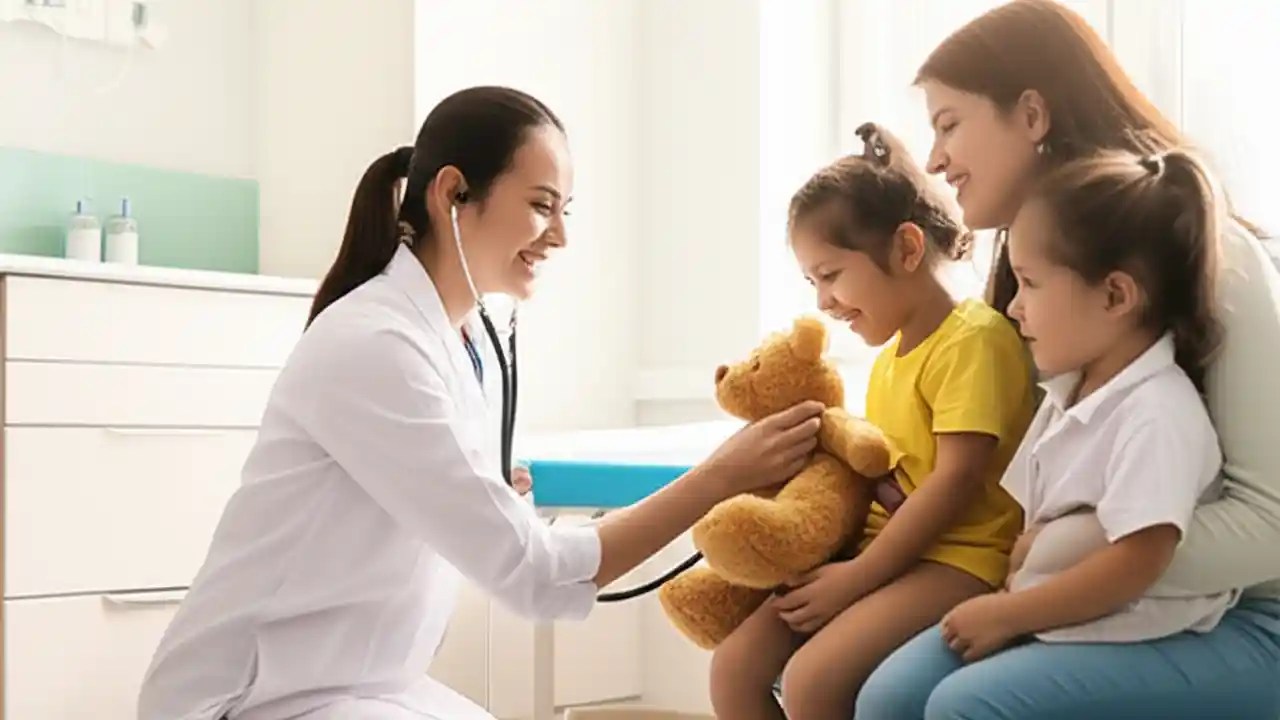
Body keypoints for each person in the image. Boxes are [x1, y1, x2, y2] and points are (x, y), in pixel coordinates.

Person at [135, 85, 826, 720]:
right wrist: (720, 477)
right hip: (252, 697)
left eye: (565, 211)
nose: (560, 236)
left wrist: (493, 497)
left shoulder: (461, 342)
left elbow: (469, 520)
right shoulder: (375, 345)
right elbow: (533, 576)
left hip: (363, 681)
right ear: (453, 193)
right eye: (540, 205)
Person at [857, 1, 1280, 718]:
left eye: (950, 123)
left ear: (1031, 115)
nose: (931, 160)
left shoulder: (1214, 259)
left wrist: (1054, 571)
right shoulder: (1035, 292)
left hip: (1233, 610)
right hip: (1086, 594)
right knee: (886, 699)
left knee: (962, 706)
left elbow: (1270, 529)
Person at [708, 122, 1037, 720]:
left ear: (907, 250)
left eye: (830, 275)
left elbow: (955, 482)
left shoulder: (974, 340)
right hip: (887, 553)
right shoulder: (887, 360)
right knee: (734, 668)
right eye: (812, 281)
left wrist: (858, 576)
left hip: (960, 561)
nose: (822, 302)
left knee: (812, 680)